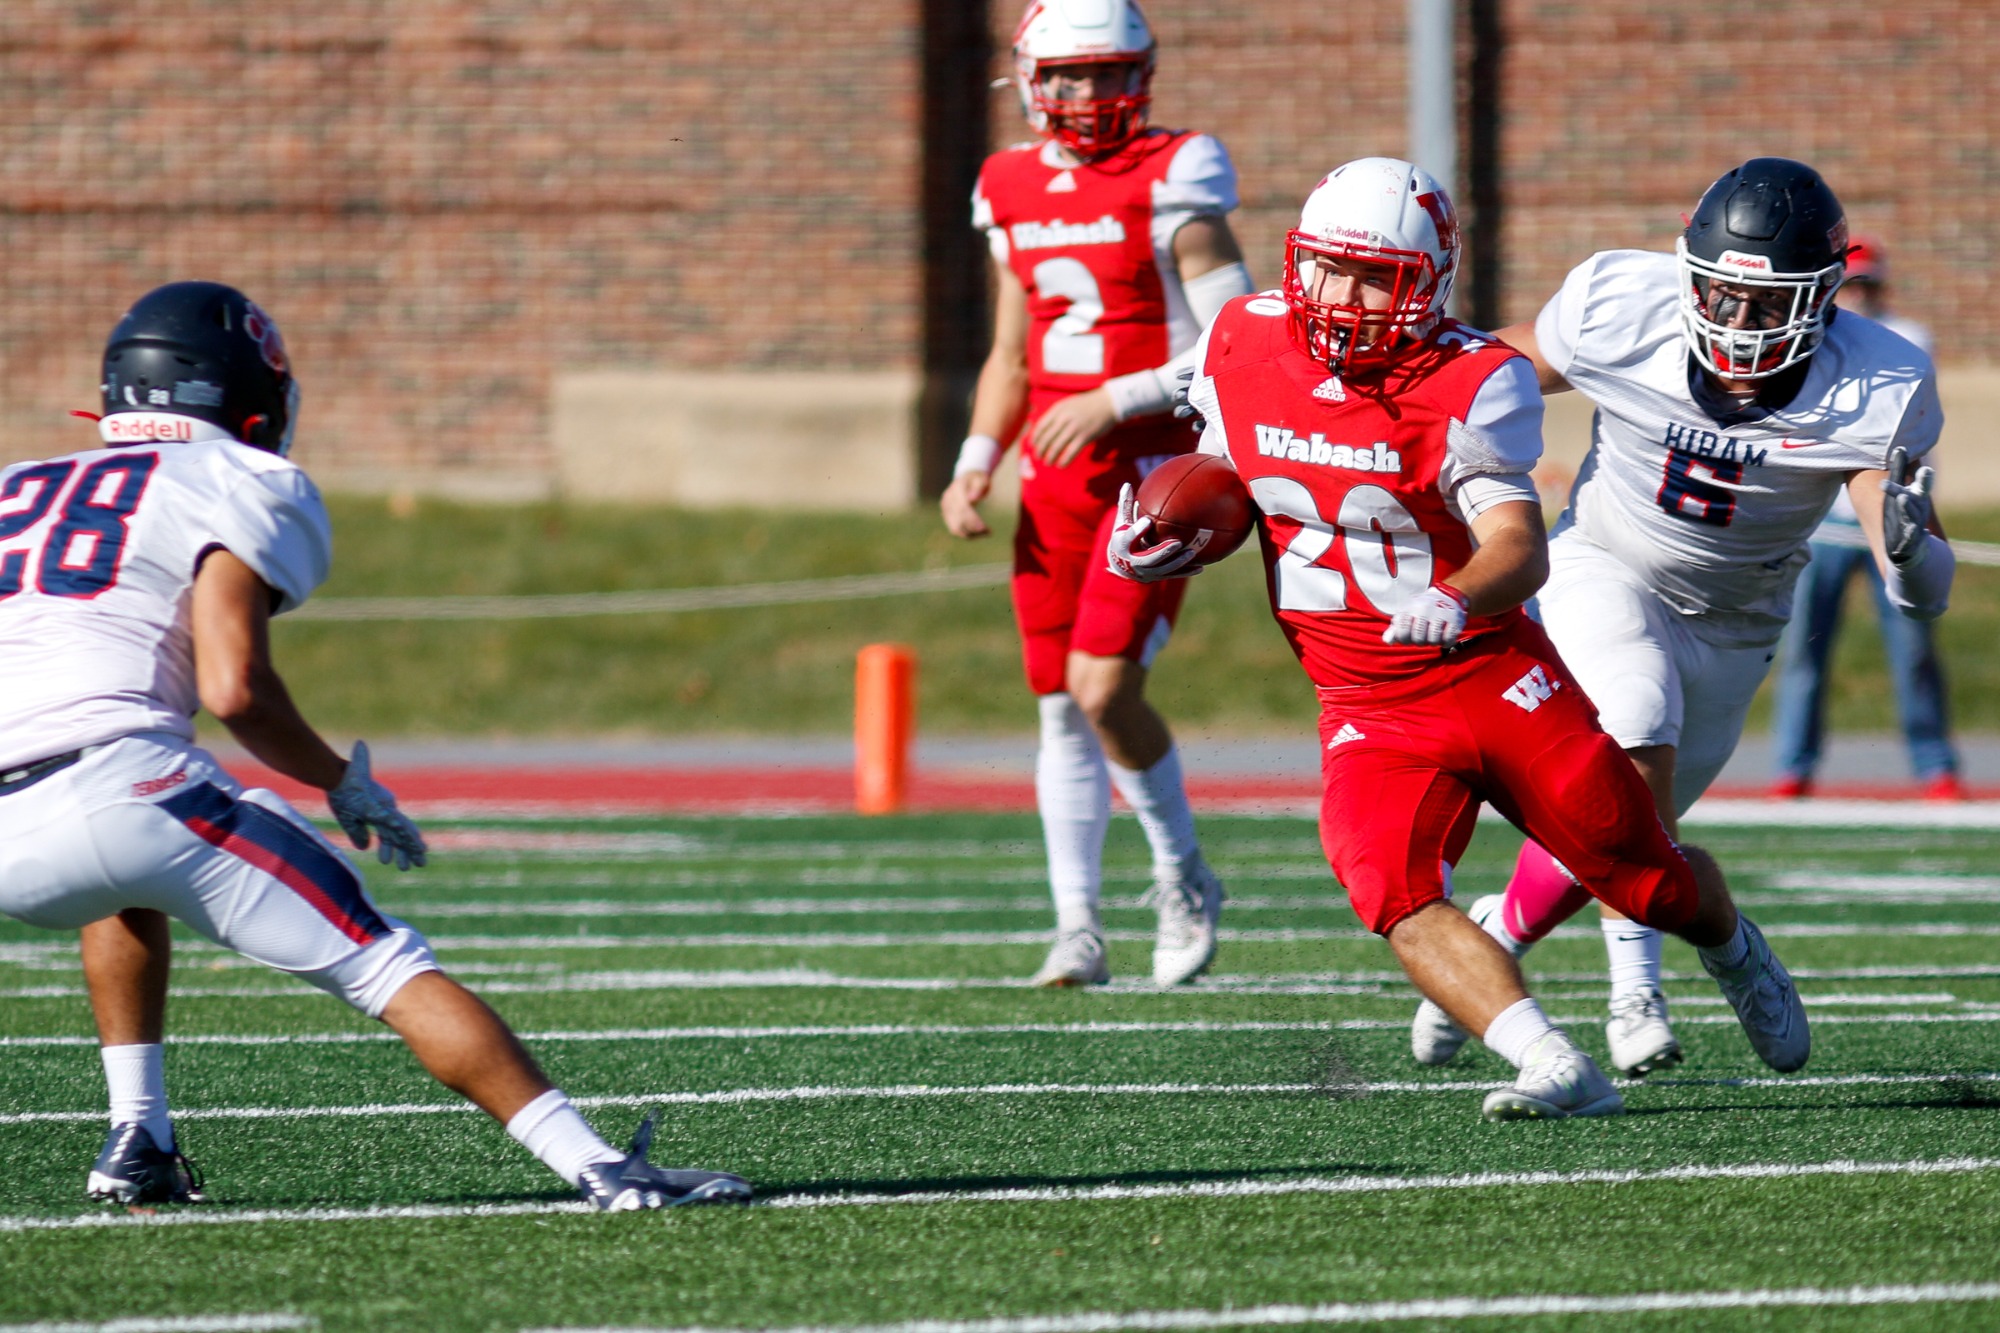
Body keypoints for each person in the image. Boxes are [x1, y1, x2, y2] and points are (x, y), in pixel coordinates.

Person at [3, 281, 750, 1210]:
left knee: (118, 880)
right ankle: (600, 1167)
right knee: (383, 960)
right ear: (243, 394)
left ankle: (137, 1139)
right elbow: (238, 689)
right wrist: (343, 783)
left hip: (11, 834)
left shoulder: (18, 484)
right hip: (131, 789)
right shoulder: (240, 477)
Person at [1111, 157, 1808, 1120]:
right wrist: (1165, 535)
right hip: (1364, 700)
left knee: (1640, 874)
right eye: (1331, 268)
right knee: (1383, 881)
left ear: (1430, 281)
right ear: (1296, 260)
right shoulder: (1243, 338)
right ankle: (1551, 1059)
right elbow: (1226, 475)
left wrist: (1458, 595)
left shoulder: (1473, 378)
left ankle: (1736, 949)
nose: (1346, 297)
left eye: (1377, 277)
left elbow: (1520, 548)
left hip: (1487, 672)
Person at [1407, 160, 1951, 1078]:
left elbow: (1922, 592)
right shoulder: (1621, 303)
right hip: (1602, 562)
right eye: (1720, 293)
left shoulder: (1878, 381)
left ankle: (1574, 934)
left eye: (1764, 302)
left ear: (1821, 300)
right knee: (1633, 718)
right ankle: (1637, 997)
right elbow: (1487, 372)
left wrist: (1907, 548)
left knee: (1623, 839)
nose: (1735, 321)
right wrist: (1375, 394)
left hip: (1737, 623)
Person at [939, 0, 1256, 987]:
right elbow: (1009, 351)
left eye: (1110, 73)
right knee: (1055, 709)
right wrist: (973, 455)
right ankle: (1076, 922)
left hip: (1156, 476)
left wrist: (1120, 396)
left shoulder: (1176, 176)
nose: (1091, 95)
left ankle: (1180, 873)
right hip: (1053, 482)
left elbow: (1238, 339)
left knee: (1101, 687)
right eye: (1070, 77)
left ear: (1142, 74)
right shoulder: (1009, 182)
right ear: (1033, 82)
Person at [1770, 237, 1962, 801]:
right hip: (1822, 523)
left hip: (1887, 517)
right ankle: (1794, 764)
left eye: (1868, 285)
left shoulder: (1907, 341)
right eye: (1851, 285)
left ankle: (1935, 764)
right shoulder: (1805, 342)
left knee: (1914, 645)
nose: (1860, 296)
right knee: (1805, 647)